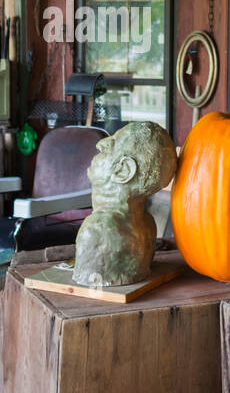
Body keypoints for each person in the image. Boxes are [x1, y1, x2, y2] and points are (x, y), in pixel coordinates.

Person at [72, 121, 176, 288]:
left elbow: (90, 289)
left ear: (123, 171)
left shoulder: (97, 231)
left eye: (110, 145)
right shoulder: (148, 225)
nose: (100, 144)